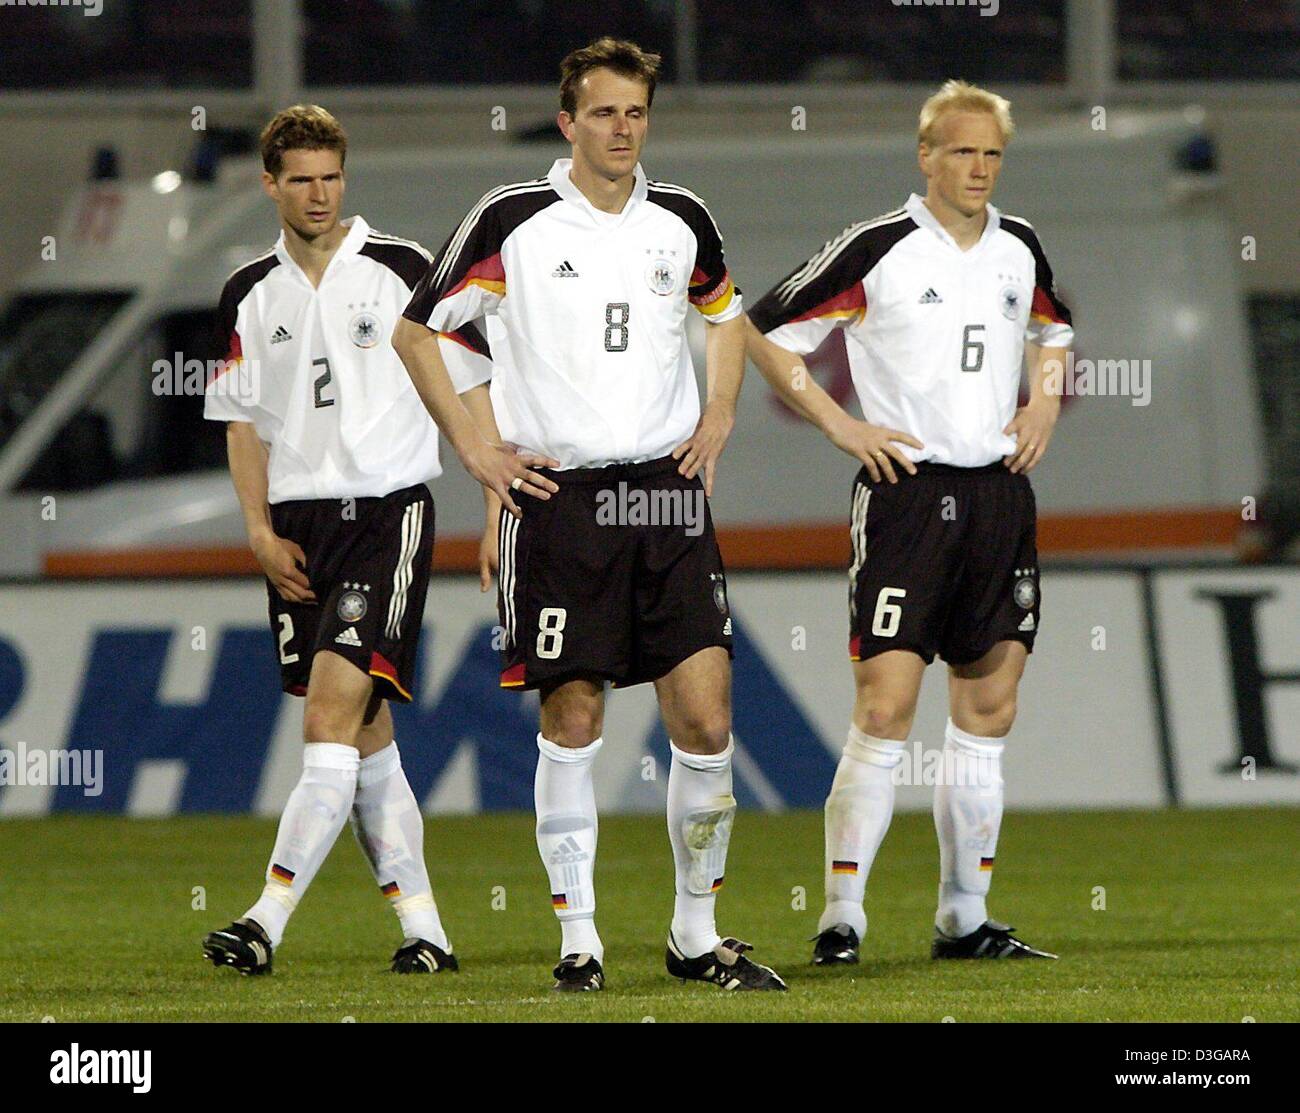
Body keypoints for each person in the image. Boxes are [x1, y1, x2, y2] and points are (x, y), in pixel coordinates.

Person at [393, 38, 786, 993]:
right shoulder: (513, 220)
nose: (622, 129)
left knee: (705, 718)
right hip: (560, 502)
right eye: (603, 112)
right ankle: (580, 937)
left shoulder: (681, 219)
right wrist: (477, 453)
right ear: (568, 121)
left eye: (637, 112)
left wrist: (723, 408)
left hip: (666, 496)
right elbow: (418, 331)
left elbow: (728, 316)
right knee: (572, 719)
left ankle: (697, 935)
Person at [747, 80, 1071, 963]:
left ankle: (964, 917)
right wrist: (843, 425)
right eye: (962, 152)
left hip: (1000, 497)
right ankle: (841, 913)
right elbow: (762, 329)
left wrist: (1041, 404)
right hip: (907, 497)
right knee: (886, 707)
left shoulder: (1019, 247)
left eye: (993, 154)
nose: (979, 169)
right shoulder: (878, 246)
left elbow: (1056, 331)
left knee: (989, 705)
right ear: (925, 155)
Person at [201, 104, 488, 975]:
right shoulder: (246, 291)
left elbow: (468, 381)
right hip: (296, 526)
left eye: (331, 176)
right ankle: (427, 930)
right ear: (270, 185)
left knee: (329, 716)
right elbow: (242, 424)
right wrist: (255, 527)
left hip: (386, 511)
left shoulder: (405, 268)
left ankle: (264, 918)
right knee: (364, 738)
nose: (319, 193)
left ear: (345, 178)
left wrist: (496, 495)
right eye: (301, 179)